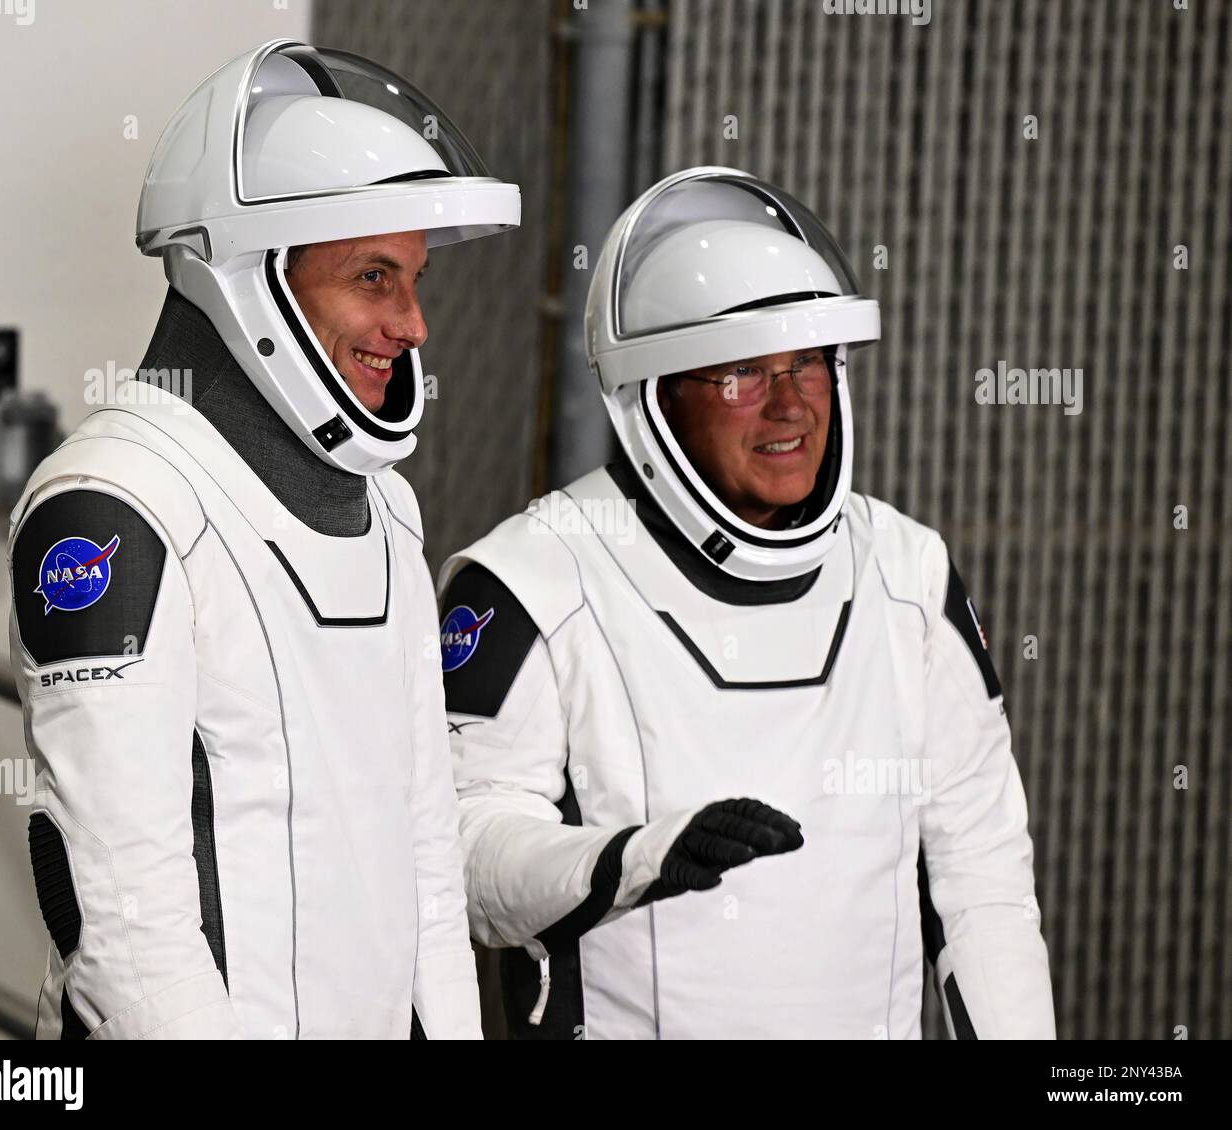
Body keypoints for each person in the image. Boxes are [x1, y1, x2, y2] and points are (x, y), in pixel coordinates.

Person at [438, 167, 1055, 1039]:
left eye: (808, 362)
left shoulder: (907, 573)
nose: (790, 403)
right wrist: (635, 858)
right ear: (653, 401)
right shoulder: (531, 578)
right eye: (741, 372)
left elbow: (980, 876)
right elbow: (463, 860)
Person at [6, 40, 519, 1039]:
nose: (411, 323)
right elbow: (124, 917)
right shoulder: (111, 503)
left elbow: (423, 845)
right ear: (247, 277)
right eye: (373, 276)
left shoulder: (387, 508)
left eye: (414, 279)